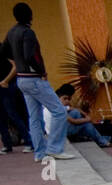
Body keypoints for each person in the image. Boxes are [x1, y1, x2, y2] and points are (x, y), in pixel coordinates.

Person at [5, 3, 73, 160]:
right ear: (30, 15)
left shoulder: (12, 32)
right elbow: (30, 56)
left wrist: (16, 62)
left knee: (34, 117)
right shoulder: (27, 32)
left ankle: (39, 153)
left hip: (21, 79)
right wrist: (41, 71)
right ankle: (55, 148)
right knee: (59, 111)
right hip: (34, 78)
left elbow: (3, 51)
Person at [0, 30, 32, 152]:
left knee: (13, 114)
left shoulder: (3, 49)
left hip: (7, 86)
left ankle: (29, 142)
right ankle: (7, 145)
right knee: (1, 118)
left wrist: (6, 81)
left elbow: (15, 66)